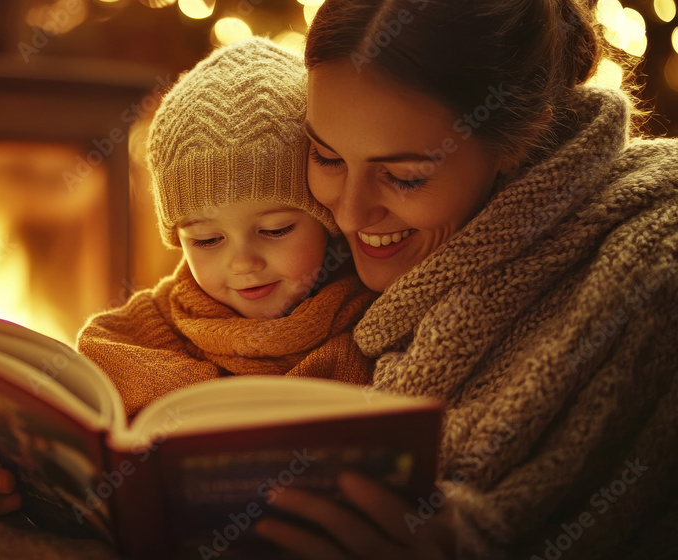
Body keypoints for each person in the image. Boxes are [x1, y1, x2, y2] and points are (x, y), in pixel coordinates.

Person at [244, 1, 678, 559]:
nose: (349, 214)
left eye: (405, 177)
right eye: (327, 158)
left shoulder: (651, 271)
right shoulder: (302, 247)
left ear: (517, 142)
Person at [0, 36, 376, 520]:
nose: (243, 263)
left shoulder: (372, 327)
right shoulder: (126, 339)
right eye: (207, 239)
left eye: (275, 230)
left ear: (327, 219)